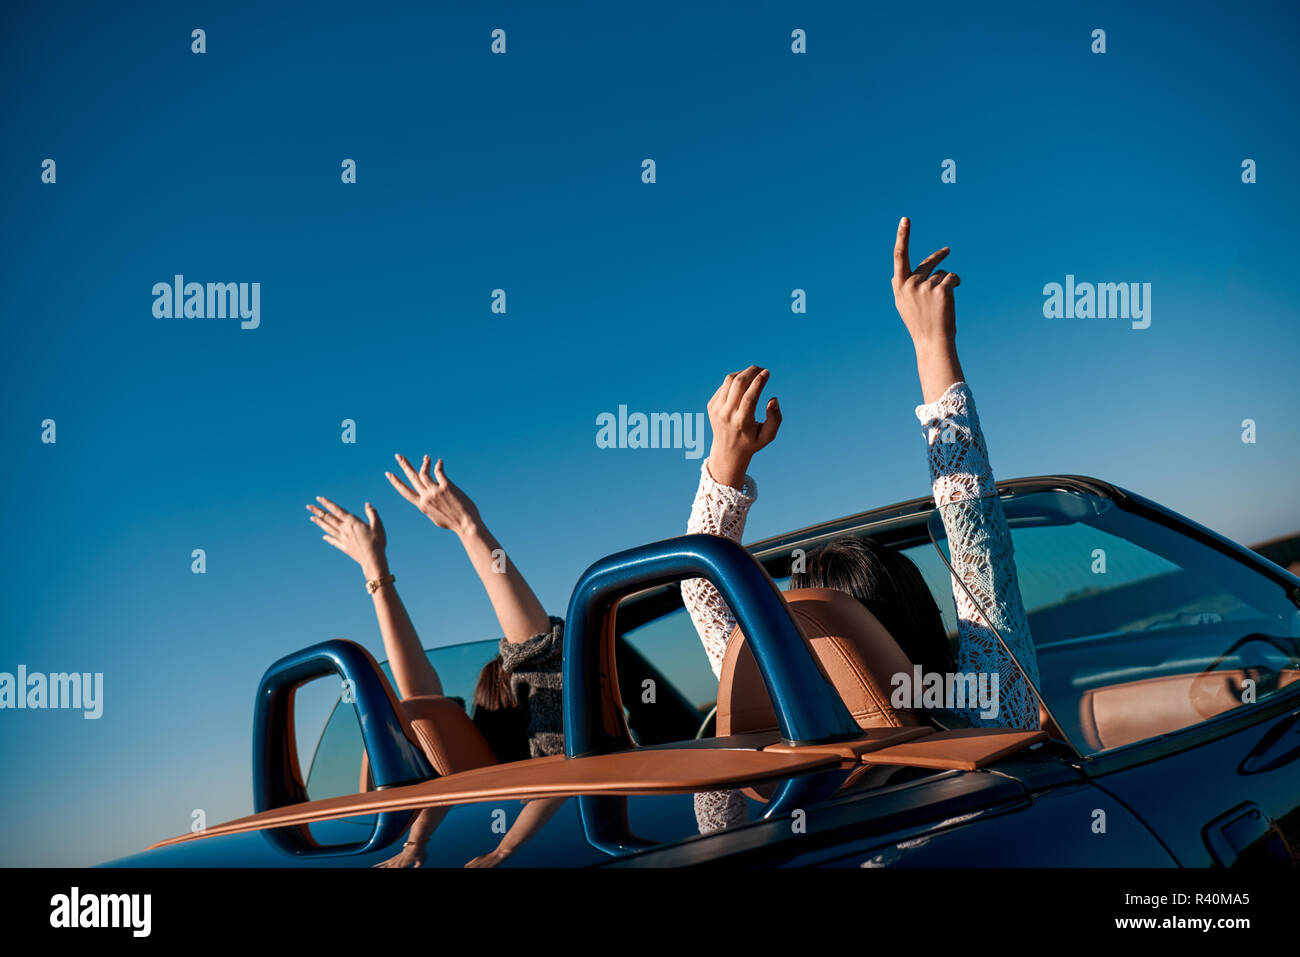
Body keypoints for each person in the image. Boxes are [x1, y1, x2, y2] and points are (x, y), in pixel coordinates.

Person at [681, 218, 1042, 831]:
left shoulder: (763, 792)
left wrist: (725, 461)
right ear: (919, 629)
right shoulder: (983, 730)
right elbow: (972, 525)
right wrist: (933, 346)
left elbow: (699, 585)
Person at [306, 454, 564, 866]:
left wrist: (377, 571)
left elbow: (424, 708)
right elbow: (536, 650)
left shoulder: (463, 813)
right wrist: (467, 526)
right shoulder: (566, 770)